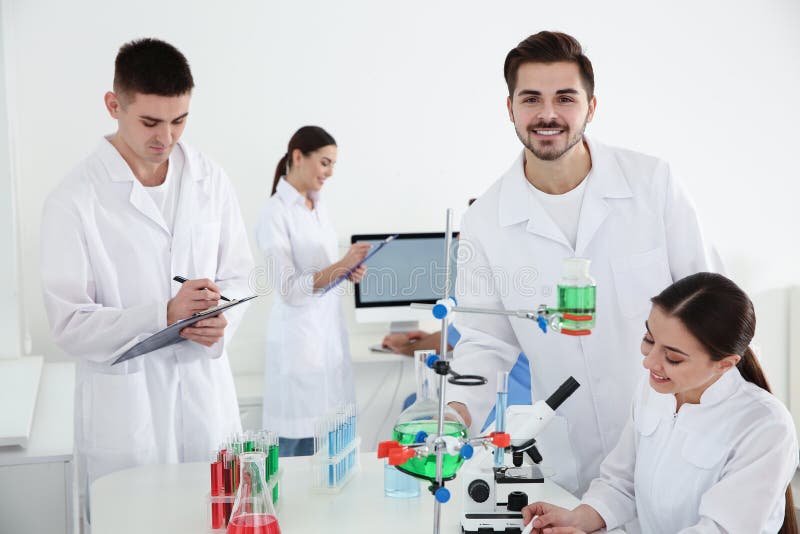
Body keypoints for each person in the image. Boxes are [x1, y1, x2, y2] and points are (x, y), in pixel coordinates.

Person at [445, 31, 721, 496]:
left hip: (676, 437)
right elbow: (484, 342)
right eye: (531, 98)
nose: (548, 114)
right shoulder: (485, 220)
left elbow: (712, 302)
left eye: (565, 98)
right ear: (510, 108)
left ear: (591, 107)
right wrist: (454, 415)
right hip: (567, 460)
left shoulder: (652, 183)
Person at [40, 38, 254, 515]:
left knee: (216, 514)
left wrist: (222, 320)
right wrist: (163, 313)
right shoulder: (73, 200)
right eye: (151, 122)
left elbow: (240, 276)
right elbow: (69, 323)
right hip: (128, 414)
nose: (167, 137)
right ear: (114, 106)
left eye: (179, 121)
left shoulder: (209, 179)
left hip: (205, 396)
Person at [522, 273, 799, 534]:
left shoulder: (765, 427)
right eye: (649, 340)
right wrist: (578, 517)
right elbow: (621, 484)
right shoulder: (655, 390)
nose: (649, 362)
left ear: (725, 364)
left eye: (674, 358)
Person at [255, 126, 370, 457]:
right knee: (296, 448)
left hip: (327, 337)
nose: (330, 172)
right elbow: (290, 288)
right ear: (297, 157)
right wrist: (343, 262)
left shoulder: (317, 207)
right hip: (299, 343)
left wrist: (344, 271)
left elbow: (320, 272)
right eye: (324, 162)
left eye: (333, 164)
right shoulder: (275, 213)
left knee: (332, 447)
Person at [382, 325, 531, 428]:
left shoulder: (485, 293)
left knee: (418, 411)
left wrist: (403, 346)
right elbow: (459, 336)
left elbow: (445, 341)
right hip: (531, 399)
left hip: (498, 408)